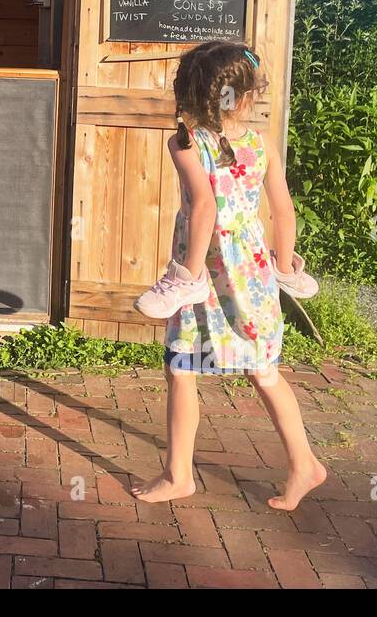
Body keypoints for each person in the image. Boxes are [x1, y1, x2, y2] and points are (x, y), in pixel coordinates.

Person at [132, 41, 326, 511]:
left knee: (181, 366)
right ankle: (303, 464)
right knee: (263, 370)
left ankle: (180, 475)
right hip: (253, 271)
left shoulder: (185, 142)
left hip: (204, 268)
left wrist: (187, 274)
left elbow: (203, 208)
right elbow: (283, 211)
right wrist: (284, 265)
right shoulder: (261, 145)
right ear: (246, 95)